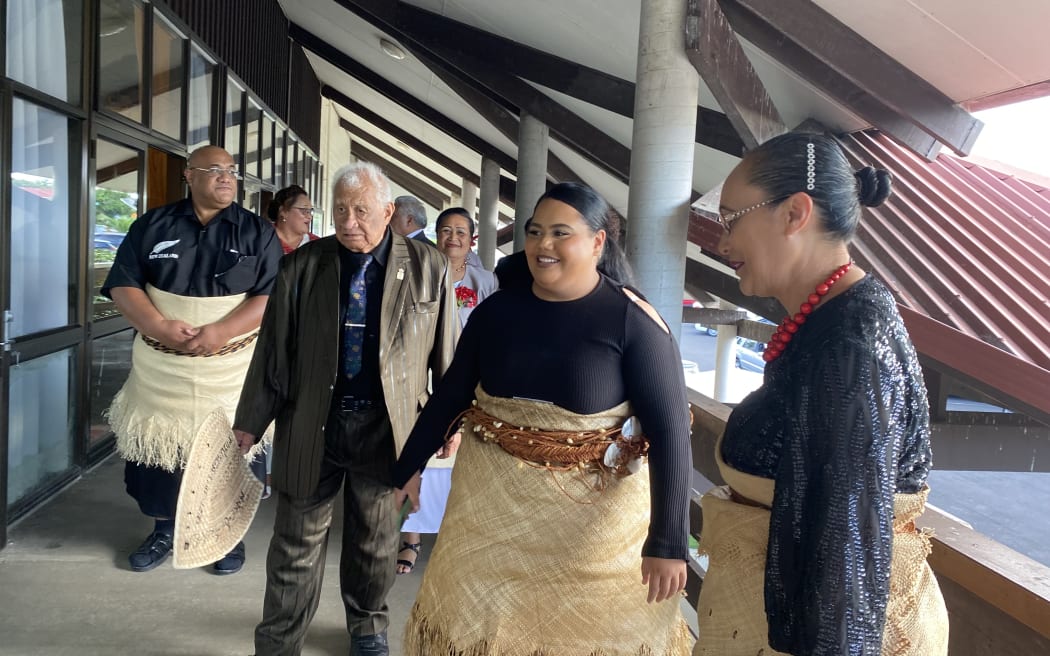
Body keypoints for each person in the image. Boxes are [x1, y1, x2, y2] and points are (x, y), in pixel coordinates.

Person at [392, 181, 694, 655]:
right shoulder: (496, 312)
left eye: (560, 233)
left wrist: (669, 541)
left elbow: (672, 432)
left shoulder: (633, 321)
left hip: (592, 539)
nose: (543, 245)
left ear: (597, 242)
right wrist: (408, 465)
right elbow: (452, 393)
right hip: (488, 523)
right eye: (534, 232)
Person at [694, 131, 948, 655]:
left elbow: (845, 555)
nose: (721, 243)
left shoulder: (851, 343)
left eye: (731, 219)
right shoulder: (828, 319)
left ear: (794, 213)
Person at [232, 161, 458, 656]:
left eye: (360, 210)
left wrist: (448, 421)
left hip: (388, 426)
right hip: (313, 420)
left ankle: (367, 626)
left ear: (388, 211)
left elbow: (448, 355)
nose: (348, 221)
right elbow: (274, 350)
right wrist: (251, 421)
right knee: (295, 543)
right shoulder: (303, 266)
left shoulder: (427, 266)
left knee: (375, 541)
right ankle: (278, 641)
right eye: (339, 209)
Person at [101, 145, 282, 575]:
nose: (226, 178)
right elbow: (124, 285)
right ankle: (165, 528)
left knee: (229, 451)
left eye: (232, 171)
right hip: (162, 365)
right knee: (160, 457)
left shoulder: (257, 232)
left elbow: (271, 295)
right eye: (214, 170)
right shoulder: (152, 225)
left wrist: (219, 331)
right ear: (189, 176)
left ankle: (225, 535)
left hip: (231, 366)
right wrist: (160, 327)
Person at [396, 207, 498, 574]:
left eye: (460, 231)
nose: (452, 238)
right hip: (421, 378)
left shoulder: (483, 281)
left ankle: (458, 539)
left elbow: (494, 330)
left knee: (461, 462)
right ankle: (411, 539)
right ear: (435, 236)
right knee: (417, 453)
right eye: (445, 231)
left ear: (471, 239)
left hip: (468, 379)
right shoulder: (413, 273)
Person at [268, 184, 320, 254]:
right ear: (283, 211)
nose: (310, 216)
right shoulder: (263, 240)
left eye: (310, 211)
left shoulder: (317, 245)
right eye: (304, 210)